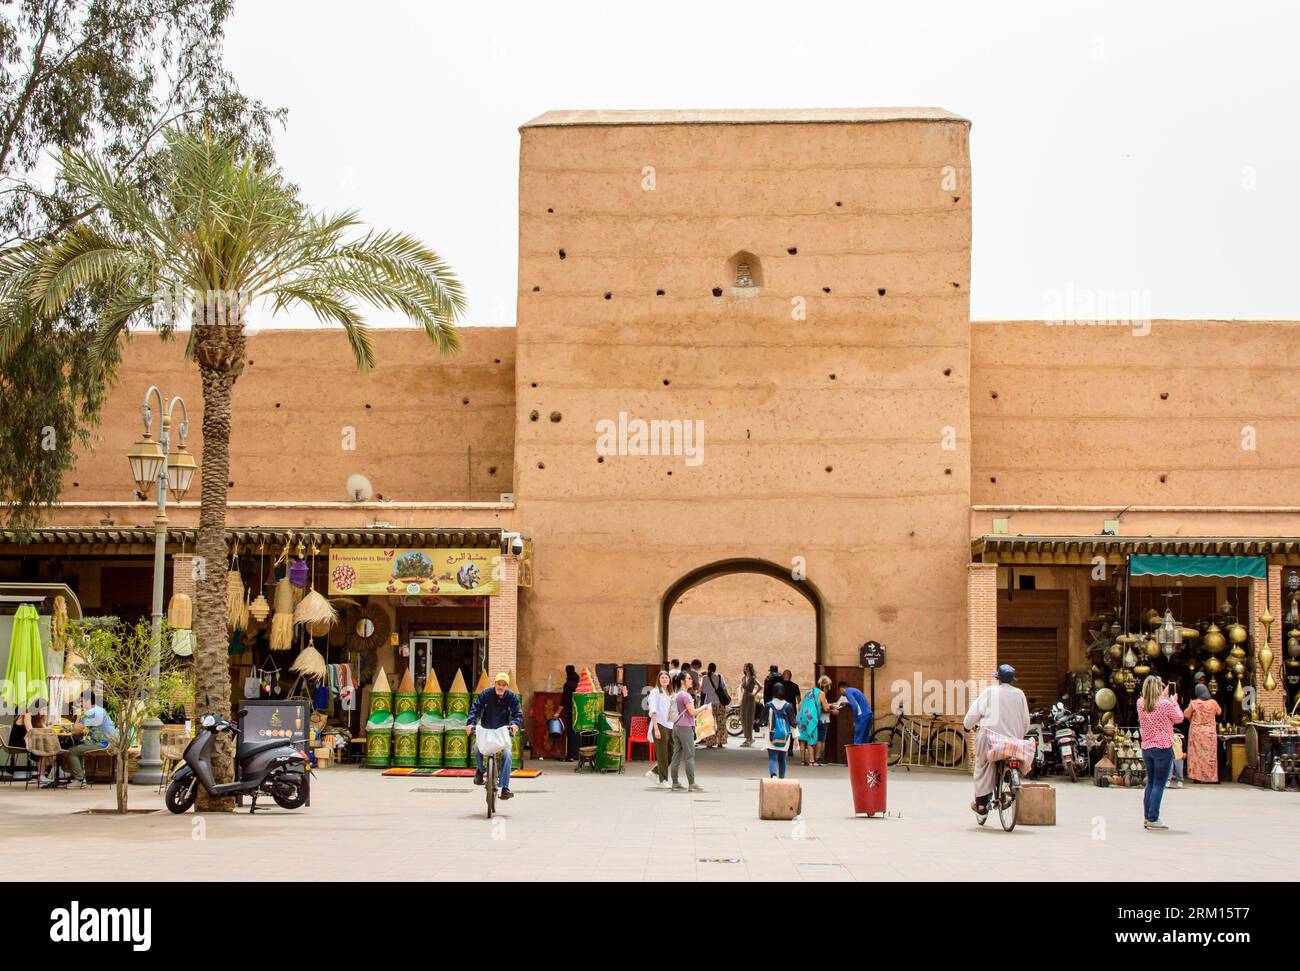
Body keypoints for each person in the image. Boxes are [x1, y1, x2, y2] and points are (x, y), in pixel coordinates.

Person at [962, 664, 1030, 818]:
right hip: (1012, 742)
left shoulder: (990, 692)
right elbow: (1026, 722)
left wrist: (967, 726)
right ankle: (1009, 784)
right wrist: (1019, 734)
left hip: (991, 741)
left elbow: (974, 714)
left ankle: (981, 804)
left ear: (998, 679)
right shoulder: (1020, 694)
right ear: (1012, 680)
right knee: (1012, 759)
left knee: (984, 767)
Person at [1135, 675, 1183, 831]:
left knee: (1151, 782)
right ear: (1158, 688)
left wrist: (1164, 697)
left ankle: (1147, 816)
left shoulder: (1140, 703)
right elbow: (1179, 718)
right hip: (1162, 747)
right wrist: (1173, 701)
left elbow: (1152, 702)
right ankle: (1153, 818)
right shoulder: (1165, 704)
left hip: (1147, 747)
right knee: (1159, 784)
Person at [467, 672, 524, 800]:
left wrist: (515, 724)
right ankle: (480, 771)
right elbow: (475, 709)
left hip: (503, 732)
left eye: (504, 685)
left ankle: (504, 788)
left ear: (507, 686)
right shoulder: (485, 694)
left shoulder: (512, 697)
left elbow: (518, 713)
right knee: (476, 748)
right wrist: (470, 723)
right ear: (495, 683)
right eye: (499, 683)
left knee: (507, 755)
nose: (501, 686)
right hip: (486, 731)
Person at [65, 691, 119, 789]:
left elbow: (77, 730)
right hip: (110, 741)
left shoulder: (91, 712)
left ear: (88, 701)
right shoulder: (99, 709)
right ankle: (81, 778)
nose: (81, 704)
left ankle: (79, 780)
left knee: (72, 751)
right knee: (78, 746)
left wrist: (78, 715)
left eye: (81, 701)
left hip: (103, 743)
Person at [669, 671, 704, 792]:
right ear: (683, 681)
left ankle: (675, 782)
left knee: (676, 755)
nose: (691, 680)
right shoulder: (686, 696)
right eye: (689, 678)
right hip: (685, 727)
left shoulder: (677, 694)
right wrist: (704, 707)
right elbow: (693, 712)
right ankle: (692, 784)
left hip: (676, 726)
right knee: (689, 756)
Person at [1182, 682, 1222, 784]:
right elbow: (1219, 712)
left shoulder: (1194, 703)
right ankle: (1212, 777)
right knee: (1210, 755)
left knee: (1197, 755)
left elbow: (1185, 714)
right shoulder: (1213, 702)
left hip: (1197, 733)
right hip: (1210, 733)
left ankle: (1198, 777)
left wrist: (1193, 719)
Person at [645, 669, 674, 788]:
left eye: (666, 677)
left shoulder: (670, 693)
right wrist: (656, 729)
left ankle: (655, 772)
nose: (664, 679)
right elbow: (653, 711)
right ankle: (663, 780)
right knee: (662, 754)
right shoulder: (655, 692)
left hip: (669, 726)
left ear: (669, 680)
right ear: (658, 680)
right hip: (659, 724)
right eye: (662, 678)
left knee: (671, 753)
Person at [765, 683, 795, 778]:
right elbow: (793, 723)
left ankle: (773, 775)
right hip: (785, 736)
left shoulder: (768, 705)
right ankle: (781, 777)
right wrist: (796, 737)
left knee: (772, 757)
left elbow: (762, 721)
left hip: (771, 734)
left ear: (773, 693)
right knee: (782, 758)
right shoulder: (788, 706)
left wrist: (763, 732)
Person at [796, 678, 824, 766]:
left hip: (801, 716)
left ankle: (802, 761)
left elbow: (800, 704)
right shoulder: (821, 693)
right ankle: (812, 761)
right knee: (811, 738)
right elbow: (826, 708)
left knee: (802, 740)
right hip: (810, 718)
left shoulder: (809, 692)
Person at [701, 662, 729, 749]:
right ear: (715, 669)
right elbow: (724, 687)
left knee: (710, 724)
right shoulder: (720, 676)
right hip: (720, 703)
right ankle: (720, 741)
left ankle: (710, 742)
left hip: (709, 704)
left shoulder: (705, 678)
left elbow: (704, 691)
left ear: (708, 668)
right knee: (721, 723)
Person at [835, 680, 873, 744]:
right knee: (865, 738)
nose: (840, 694)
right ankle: (864, 753)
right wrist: (847, 704)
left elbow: (855, 706)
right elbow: (857, 703)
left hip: (862, 716)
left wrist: (856, 720)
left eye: (839, 691)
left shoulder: (847, 692)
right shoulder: (854, 690)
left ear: (841, 688)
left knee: (858, 737)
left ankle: (856, 754)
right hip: (868, 714)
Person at [559, 664, 579, 762]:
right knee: (578, 732)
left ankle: (570, 755)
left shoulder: (568, 685)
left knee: (570, 733)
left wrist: (557, 713)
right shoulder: (579, 683)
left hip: (571, 711)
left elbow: (564, 700)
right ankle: (577, 754)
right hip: (580, 712)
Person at [739, 663, 760, 747]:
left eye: (747, 667)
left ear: (750, 668)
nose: (745, 669)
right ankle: (747, 738)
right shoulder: (743, 678)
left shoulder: (753, 678)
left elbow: (760, 686)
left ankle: (750, 738)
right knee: (743, 718)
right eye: (744, 667)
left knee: (749, 718)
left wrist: (754, 694)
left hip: (750, 698)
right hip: (744, 698)